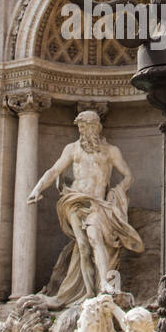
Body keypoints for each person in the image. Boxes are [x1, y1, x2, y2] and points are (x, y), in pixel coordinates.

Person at [27, 110, 143, 303]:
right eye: (79, 127)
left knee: (95, 237)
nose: (81, 131)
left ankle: (105, 285)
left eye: (84, 126)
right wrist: (37, 189)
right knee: (82, 246)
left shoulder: (110, 151)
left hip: (97, 203)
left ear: (94, 126)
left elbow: (129, 176)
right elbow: (54, 170)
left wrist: (116, 193)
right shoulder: (72, 149)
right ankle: (89, 294)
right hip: (74, 200)